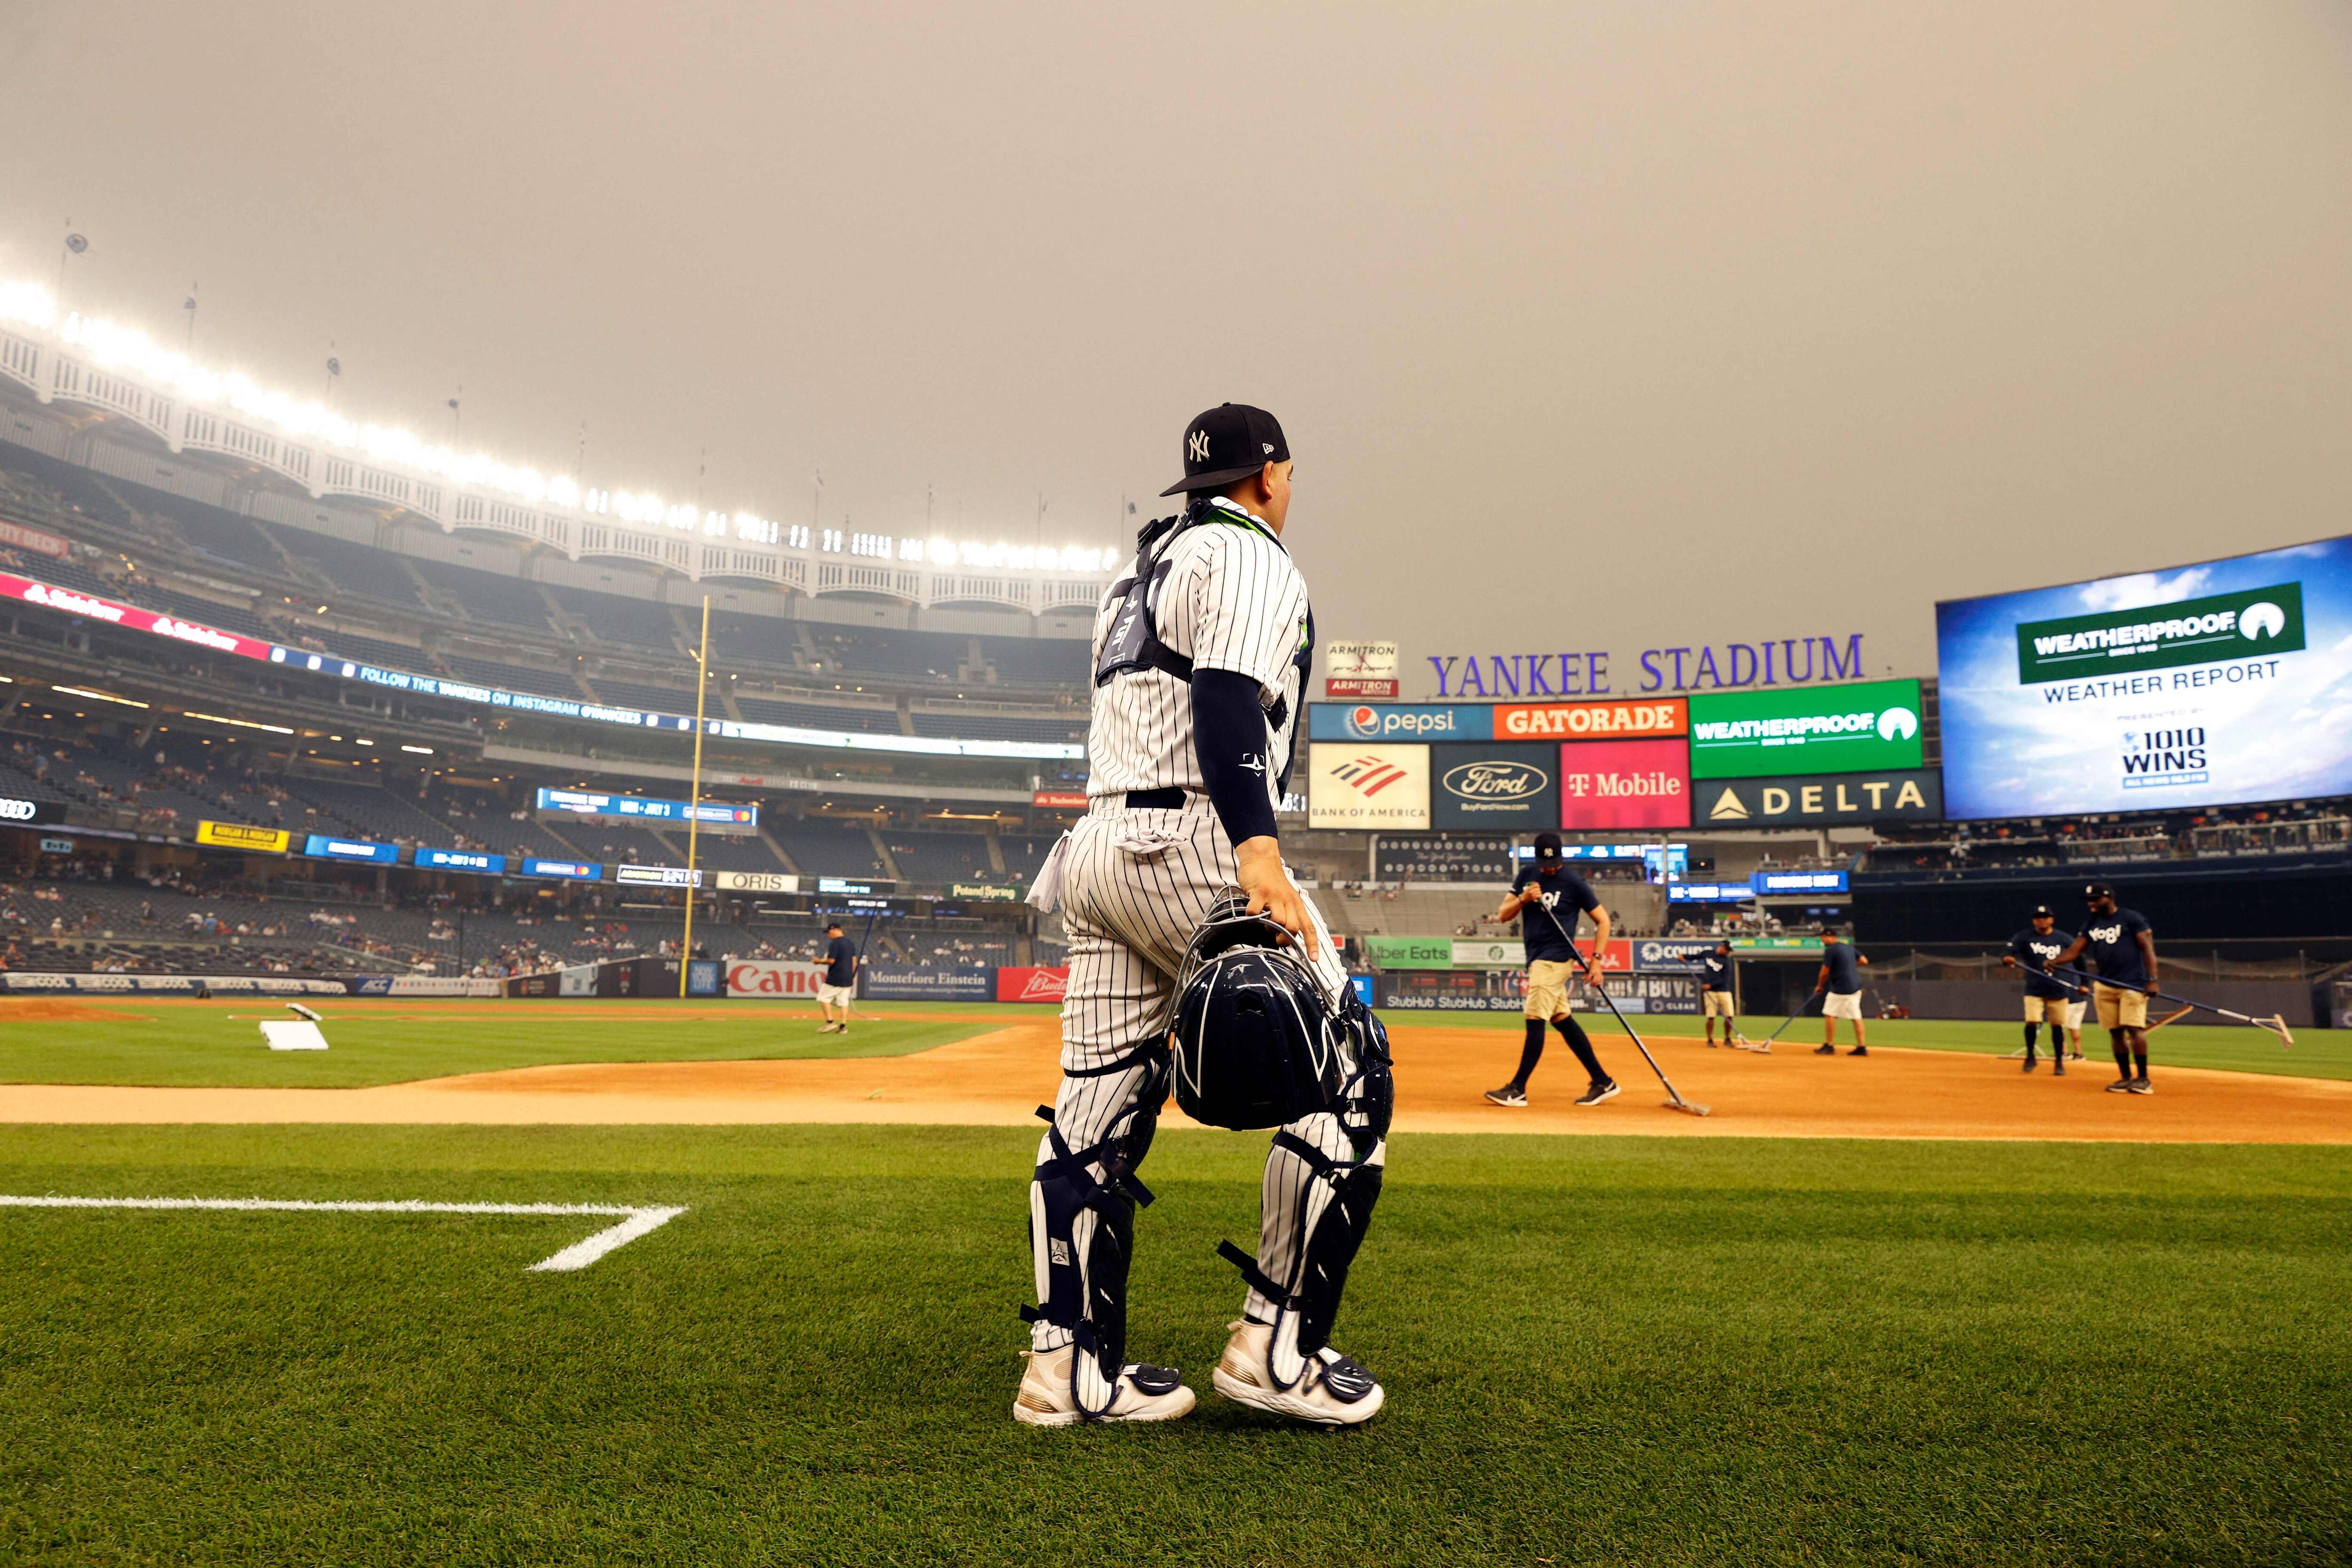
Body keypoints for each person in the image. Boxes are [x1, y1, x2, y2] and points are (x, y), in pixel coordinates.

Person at [1012, 404, 1386, 1427]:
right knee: (1349, 1071)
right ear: (1270, 474)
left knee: (1089, 1113)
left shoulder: (1142, 571)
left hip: (1095, 852)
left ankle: (1063, 1372)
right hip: (1197, 843)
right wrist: (1257, 848)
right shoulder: (1253, 556)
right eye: (1287, 474)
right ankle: (1275, 1349)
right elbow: (1225, 697)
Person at [1484, 832, 1615, 1107]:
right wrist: (1523, 899)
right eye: (1546, 864)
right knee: (1562, 1019)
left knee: (1534, 1018)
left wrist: (1597, 960)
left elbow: (1603, 921)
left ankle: (1518, 1088)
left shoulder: (1574, 883)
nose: (1550, 868)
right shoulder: (1528, 875)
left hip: (1555, 960)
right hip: (1537, 957)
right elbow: (1503, 914)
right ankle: (1602, 1081)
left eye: (1554, 862)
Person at [2047, 883, 2159, 1095]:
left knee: (2134, 1030)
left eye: (2095, 899)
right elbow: (2076, 950)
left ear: (2109, 898)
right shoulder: (2092, 923)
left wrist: (2152, 979)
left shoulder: (2130, 918)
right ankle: (2126, 1078)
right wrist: (2056, 961)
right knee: (2116, 1033)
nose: (2091, 904)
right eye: (2089, 900)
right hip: (2105, 985)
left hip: (2132, 984)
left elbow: (2147, 948)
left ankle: (2143, 1079)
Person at [2002, 904, 2074, 1075]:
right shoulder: (2024, 937)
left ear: (2052, 920)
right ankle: (2031, 1056)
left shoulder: (2063, 939)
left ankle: (2058, 1062)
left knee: (2057, 1026)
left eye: (2045, 917)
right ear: (2034, 921)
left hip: (2058, 988)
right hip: (2035, 988)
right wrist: (2008, 958)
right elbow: (2007, 952)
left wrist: (2084, 982)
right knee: (2032, 1021)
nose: (2041, 921)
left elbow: (2079, 958)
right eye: (2037, 918)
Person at [1811, 930, 1870, 1056]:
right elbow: (1864, 961)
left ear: (1829, 937)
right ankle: (1862, 1047)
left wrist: (1820, 986)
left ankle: (1829, 1046)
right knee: (1856, 1017)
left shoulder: (1831, 950)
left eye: (1822, 938)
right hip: (1855, 987)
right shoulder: (1849, 948)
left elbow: (1825, 972)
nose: (1821, 941)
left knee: (1829, 1013)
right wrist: (1849, 965)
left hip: (1841, 987)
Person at [1680, 939, 1737, 1047]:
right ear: (1722, 947)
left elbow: (1725, 979)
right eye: (1727, 950)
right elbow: (1694, 957)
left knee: (1729, 1016)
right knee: (1711, 1016)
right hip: (1710, 992)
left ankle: (1728, 1038)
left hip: (1724, 990)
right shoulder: (1708, 953)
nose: (1728, 952)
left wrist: (1710, 985)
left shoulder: (1727, 961)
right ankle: (1710, 1040)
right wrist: (1683, 956)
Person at [816, 920, 857, 1033]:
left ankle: (830, 1023)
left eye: (829, 932)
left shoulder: (835, 943)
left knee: (823, 998)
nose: (829, 935)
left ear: (834, 930)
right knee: (844, 1003)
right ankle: (843, 1027)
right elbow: (854, 961)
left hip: (836, 976)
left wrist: (819, 961)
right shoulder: (850, 943)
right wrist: (853, 975)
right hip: (848, 977)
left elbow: (831, 960)